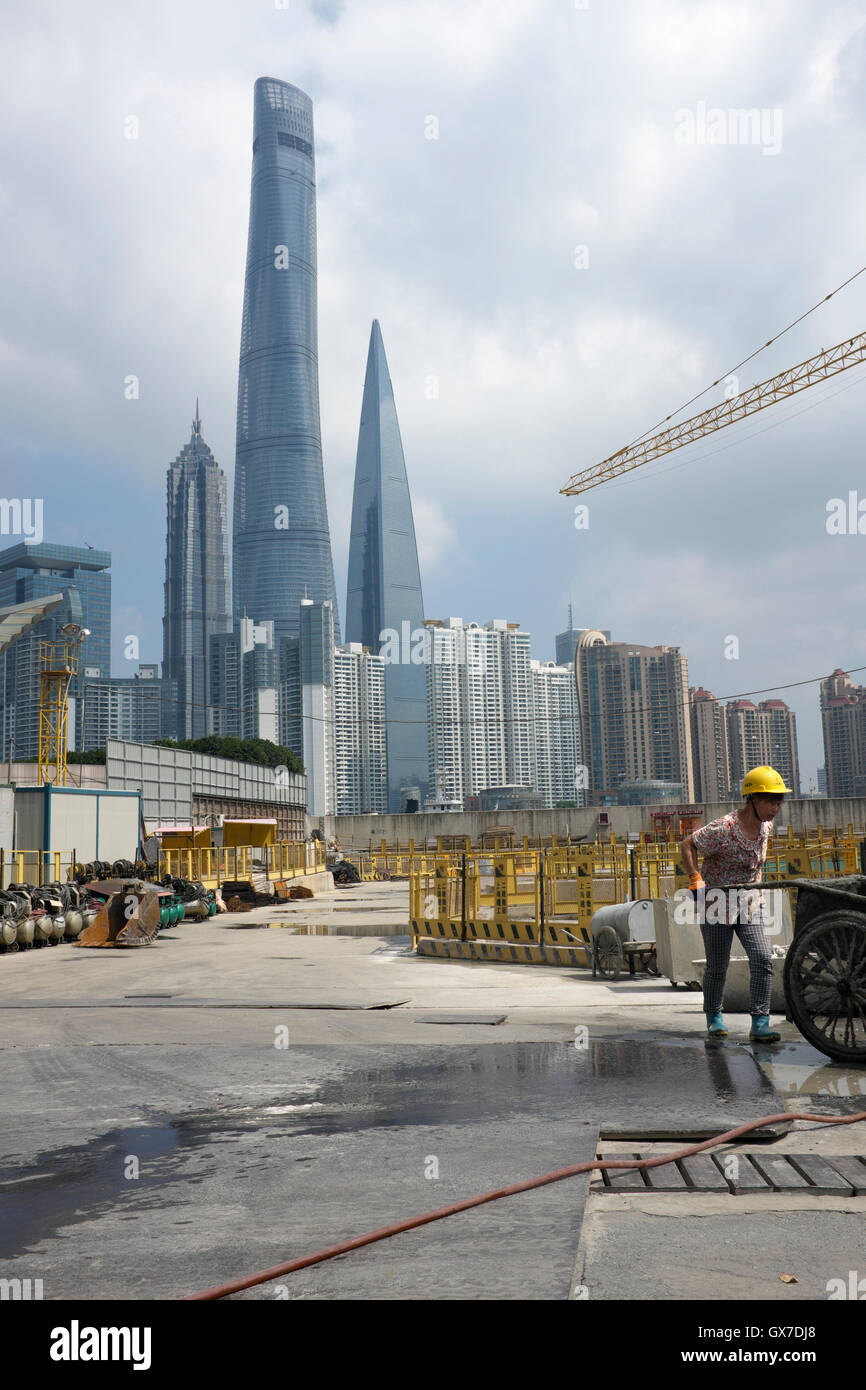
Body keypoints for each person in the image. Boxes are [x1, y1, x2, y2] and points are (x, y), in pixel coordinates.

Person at [680, 766, 791, 1043]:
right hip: (718, 902)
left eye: (779, 801)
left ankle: (760, 1022)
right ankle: (714, 1017)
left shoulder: (767, 826)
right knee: (718, 965)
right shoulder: (725, 828)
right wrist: (695, 878)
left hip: (750, 901)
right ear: (751, 799)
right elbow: (687, 844)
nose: (775, 807)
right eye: (770, 800)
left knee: (763, 958)